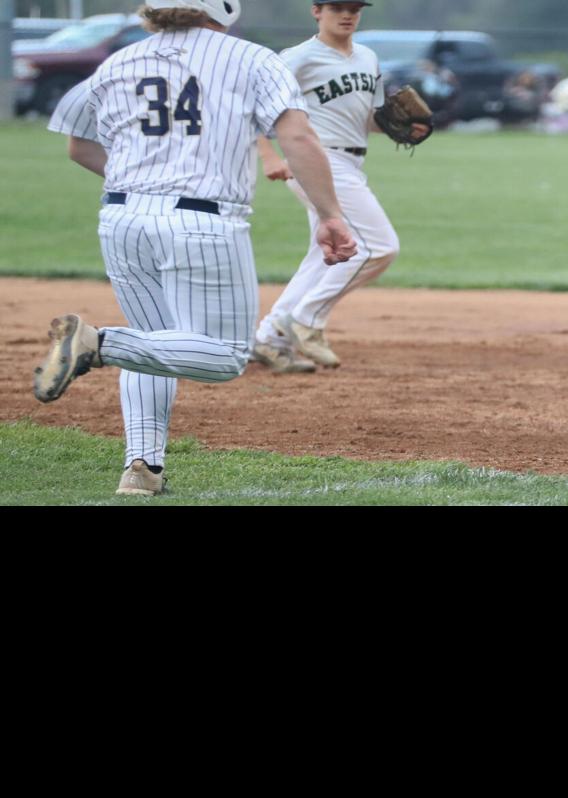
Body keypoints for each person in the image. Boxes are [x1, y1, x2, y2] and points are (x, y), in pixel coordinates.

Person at [32, 0, 356, 496]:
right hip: (202, 221)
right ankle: (98, 344)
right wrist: (331, 214)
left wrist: (139, 180)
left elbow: (79, 145)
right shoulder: (251, 58)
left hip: (122, 217)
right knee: (227, 356)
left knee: (153, 340)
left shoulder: (118, 61)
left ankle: (141, 469)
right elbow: (296, 134)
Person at [252, 0, 426, 373]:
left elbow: (369, 118)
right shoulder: (297, 57)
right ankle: (306, 320)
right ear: (317, 11)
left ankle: (269, 339)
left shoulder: (367, 58)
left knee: (326, 257)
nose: (347, 14)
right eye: (337, 7)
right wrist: (269, 156)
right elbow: (254, 108)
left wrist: (401, 128)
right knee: (378, 247)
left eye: (354, 7)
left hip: (350, 162)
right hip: (317, 161)